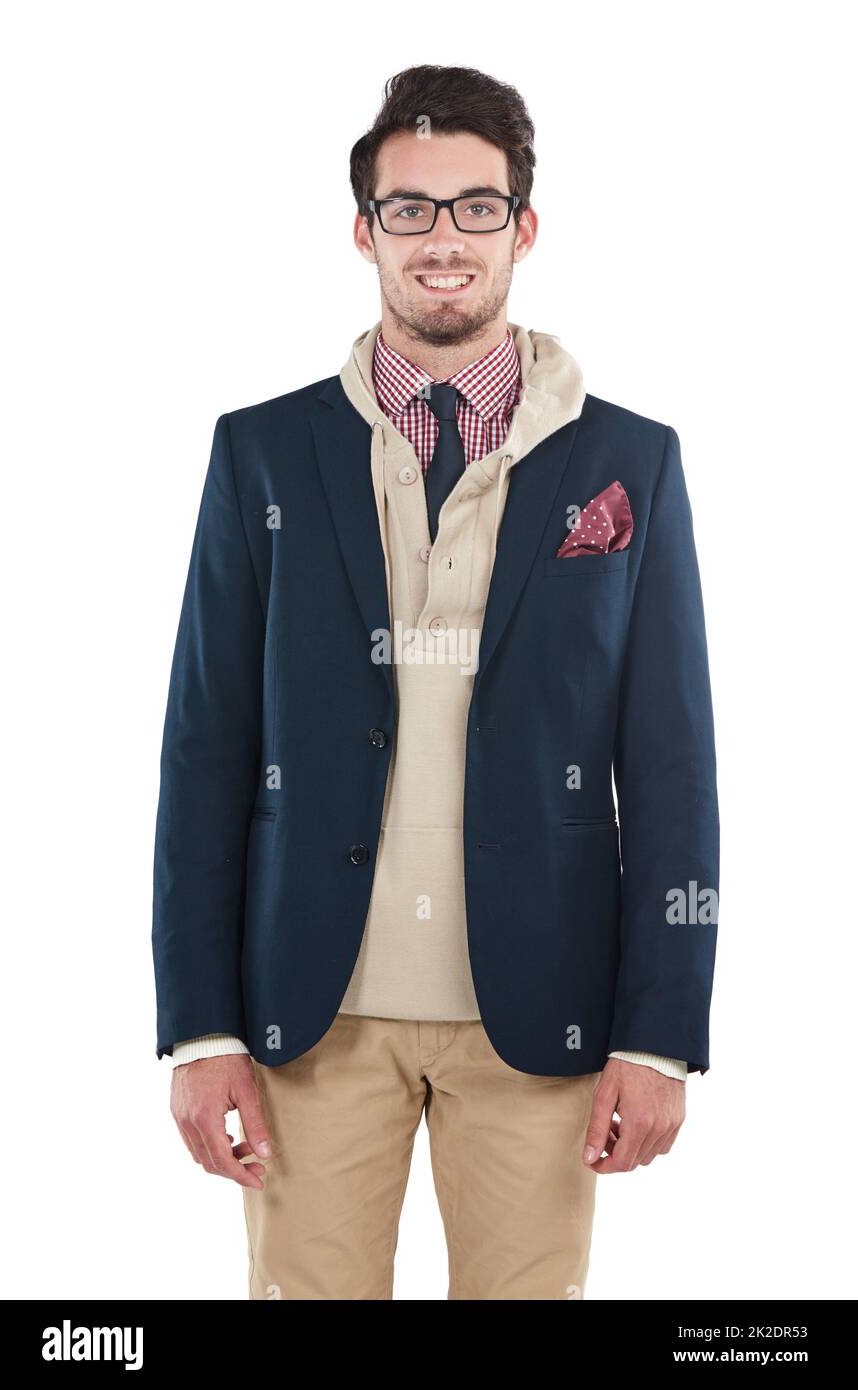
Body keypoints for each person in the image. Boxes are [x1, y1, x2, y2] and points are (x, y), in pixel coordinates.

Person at [152, 63, 719, 1301]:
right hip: (308, 1011)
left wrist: (658, 1029)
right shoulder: (260, 451)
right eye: (409, 208)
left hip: (543, 1016)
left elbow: (670, 764)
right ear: (364, 230)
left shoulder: (632, 461)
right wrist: (199, 1028)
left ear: (522, 226)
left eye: (474, 206)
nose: (442, 239)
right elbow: (204, 745)